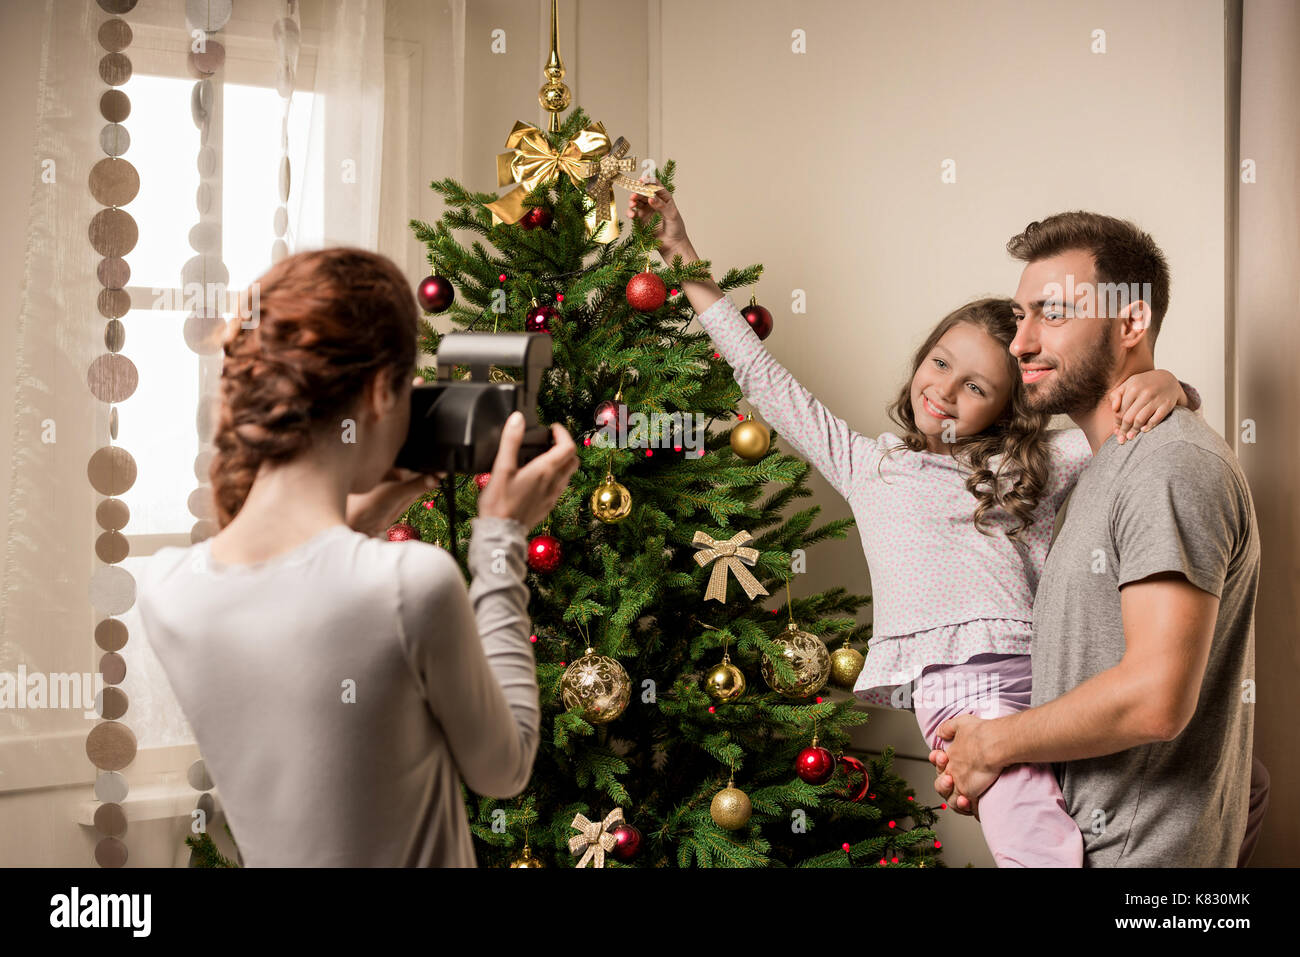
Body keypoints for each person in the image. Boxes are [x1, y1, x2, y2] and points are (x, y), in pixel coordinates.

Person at [627, 182, 1200, 866]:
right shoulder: (871, 466)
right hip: (964, 690)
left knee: (1203, 788)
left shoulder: (1034, 465)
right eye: (940, 364)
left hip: (1055, 679)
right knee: (1036, 842)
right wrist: (682, 254)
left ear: (1005, 409)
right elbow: (759, 373)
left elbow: (1124, 423)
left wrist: (1175, 386)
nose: (946, 392)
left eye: (977, 388)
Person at [136, 247, 580, 866]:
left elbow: (297, 589)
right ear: (379, 392)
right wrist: (501, 538)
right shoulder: (409, 583)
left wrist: (364, 517)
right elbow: (503, 769)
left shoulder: (164, 590)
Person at [928, 212, 1266, 867]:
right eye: (1020, 316)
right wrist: (998, 761)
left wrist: (995, 744)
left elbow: (1155, 697)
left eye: (1050, 314)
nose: (1021, 341)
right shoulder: (1103, 468)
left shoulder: (1168, 464)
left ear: (1131, 323)